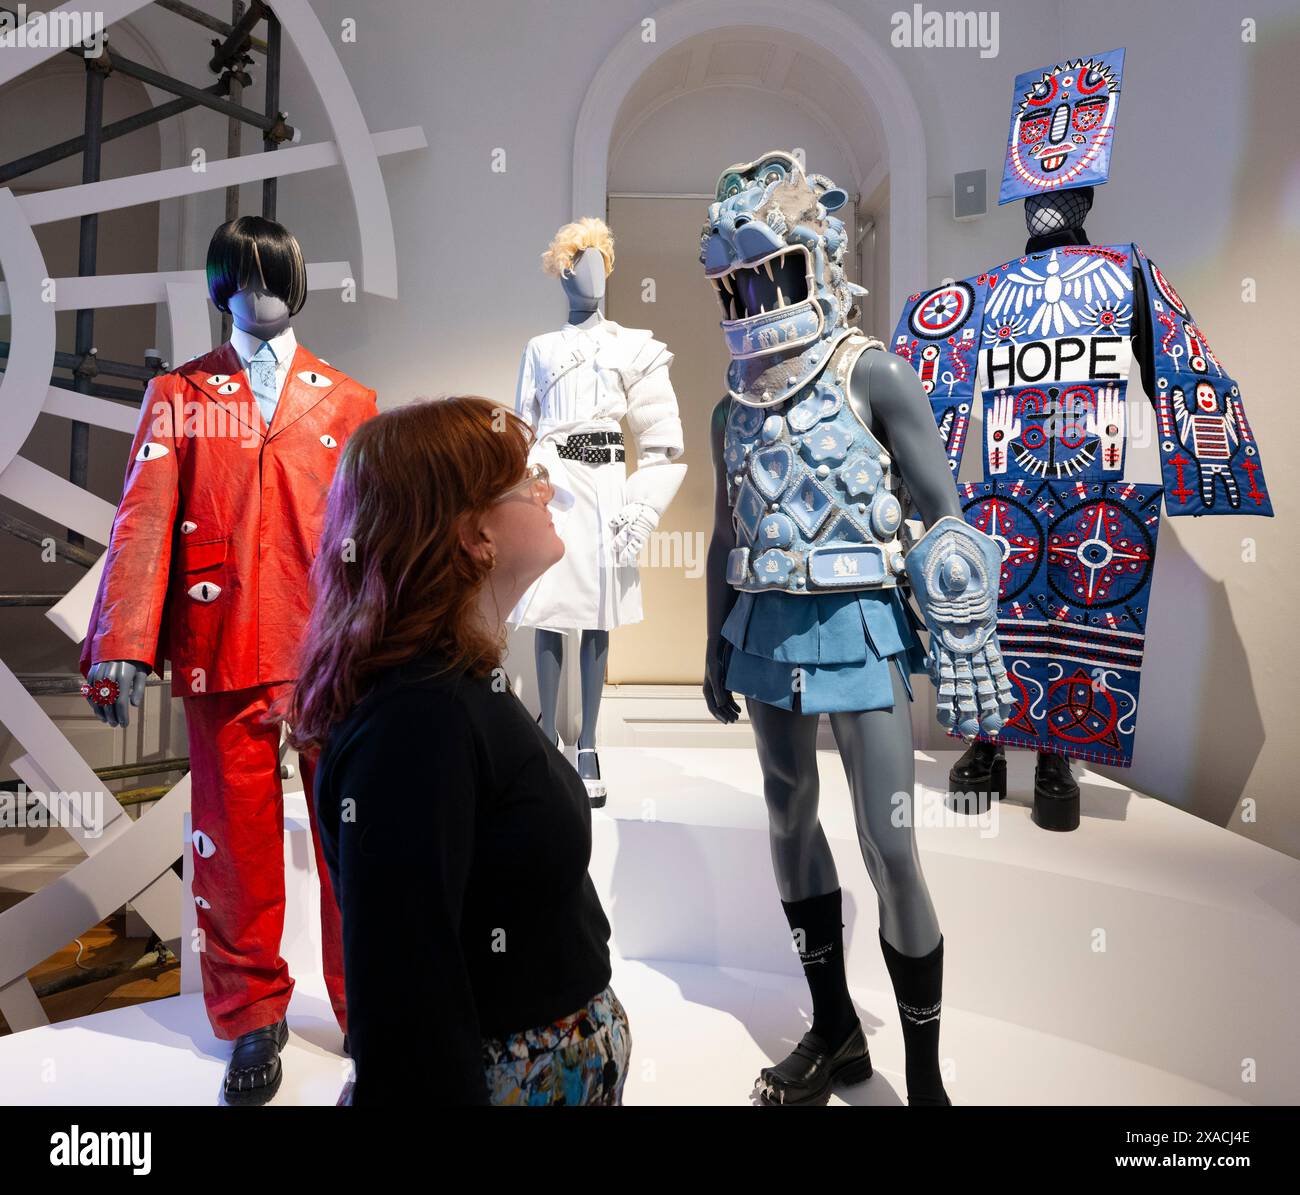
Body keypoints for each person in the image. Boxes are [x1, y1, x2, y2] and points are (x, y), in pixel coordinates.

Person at [285, 395, 631, 1105]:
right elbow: (405, 996)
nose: (550, 489)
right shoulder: (418, 719)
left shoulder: (459, 681)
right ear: (476, 535)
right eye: (528, 478)